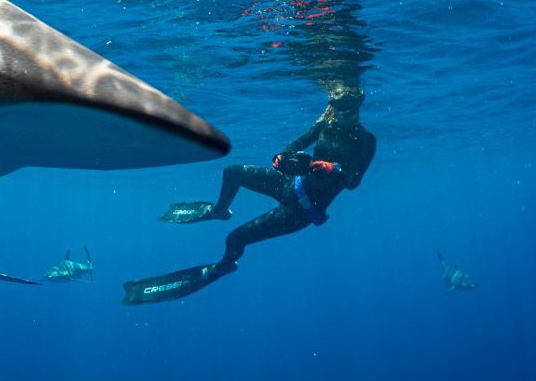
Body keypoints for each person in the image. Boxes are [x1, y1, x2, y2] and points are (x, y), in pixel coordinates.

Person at [122, 81, 375, 305]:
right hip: (291, 183)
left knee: (235, 239)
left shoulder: (366, 141)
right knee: (232, 171)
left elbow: (353, 182)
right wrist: (282, 157)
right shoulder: (324, 126)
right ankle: (219, 210)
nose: (344, 114)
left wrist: (334, 168)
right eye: (339, 108)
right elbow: (296, 144)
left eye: (349, 109)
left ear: (359, 106)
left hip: (302, 211)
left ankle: (222, 267)